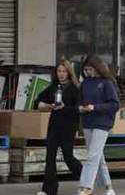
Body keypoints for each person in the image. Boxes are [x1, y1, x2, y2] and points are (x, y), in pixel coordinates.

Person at [35, 59, 82, 195]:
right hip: (54, 124)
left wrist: (64, 107)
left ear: (69, 72)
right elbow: (38, 101)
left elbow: (77, 109)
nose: (61, 74)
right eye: (59, 71)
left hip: (68, 125)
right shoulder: (53, 87)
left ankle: (86, 179)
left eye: (64, 71)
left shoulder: (75, 89)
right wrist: (45, 105)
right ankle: (49, 189)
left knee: (68, 156)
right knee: (50, 156)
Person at [76, 57, 119, 195]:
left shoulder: (107, 83)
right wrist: (81, 108)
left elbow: (115, 104)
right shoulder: (85, 83)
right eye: (85, 70)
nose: (88, 72)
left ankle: (86, 186)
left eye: (90, 69)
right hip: (88, 122)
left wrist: (95, 107)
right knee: (98, 155)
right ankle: (108, 186)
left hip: (103, 123)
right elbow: (79, 101)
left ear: (97, 68)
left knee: (92, 155)